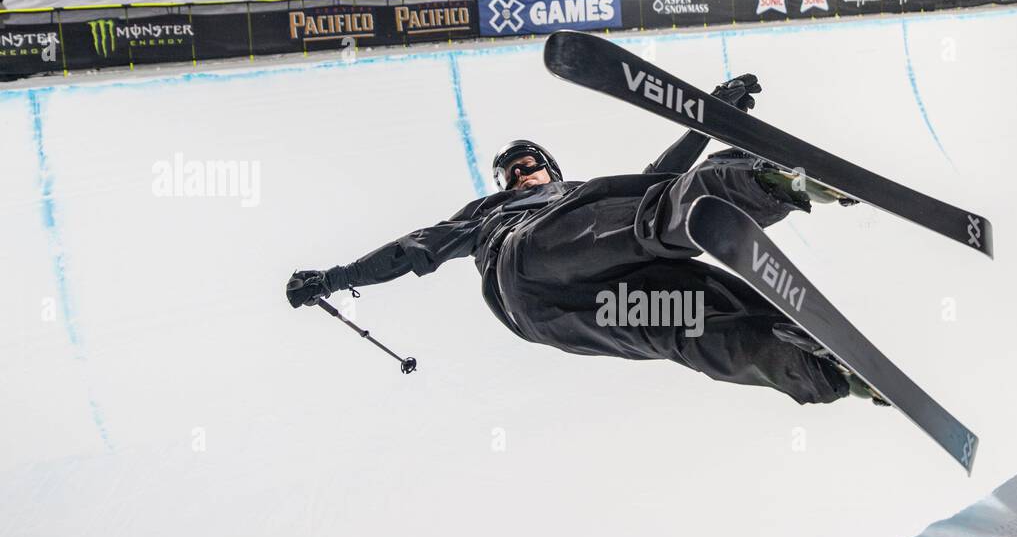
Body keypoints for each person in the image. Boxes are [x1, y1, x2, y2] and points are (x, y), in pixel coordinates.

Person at [286, 75, 884, 406]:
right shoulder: (491, 213)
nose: (521, 174)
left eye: (529, 165)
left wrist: (703, 122)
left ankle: (819, 369)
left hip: (583, 308)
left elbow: (651, 182)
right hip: (527, 270)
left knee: (685, 320)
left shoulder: (580, 197)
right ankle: (758, 181)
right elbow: (411, 249)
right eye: (512, 171)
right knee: (653, 211)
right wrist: (336, 278)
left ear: (549, 166)